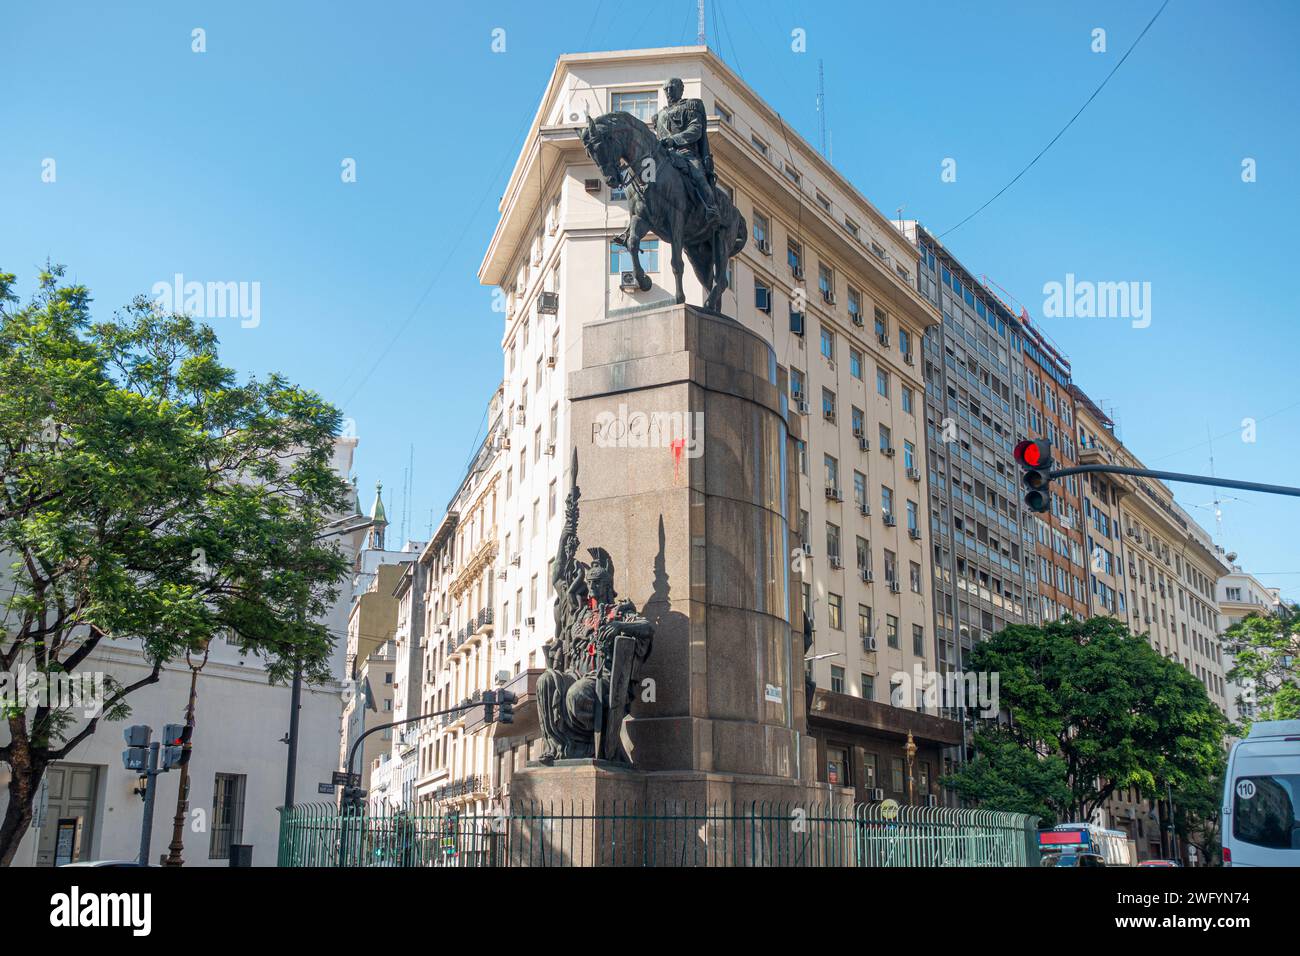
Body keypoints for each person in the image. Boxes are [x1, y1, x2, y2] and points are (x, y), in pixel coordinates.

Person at [650, 77, 719, 226]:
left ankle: (711, 208)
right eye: (666, 89)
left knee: (698, 176)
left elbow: (695, 130)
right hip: (665, 156)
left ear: (681, 90)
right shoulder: (660, 115)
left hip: (686, 153)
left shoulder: (691, 107)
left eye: (672, 88)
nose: (669, 91)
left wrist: (674, 140)